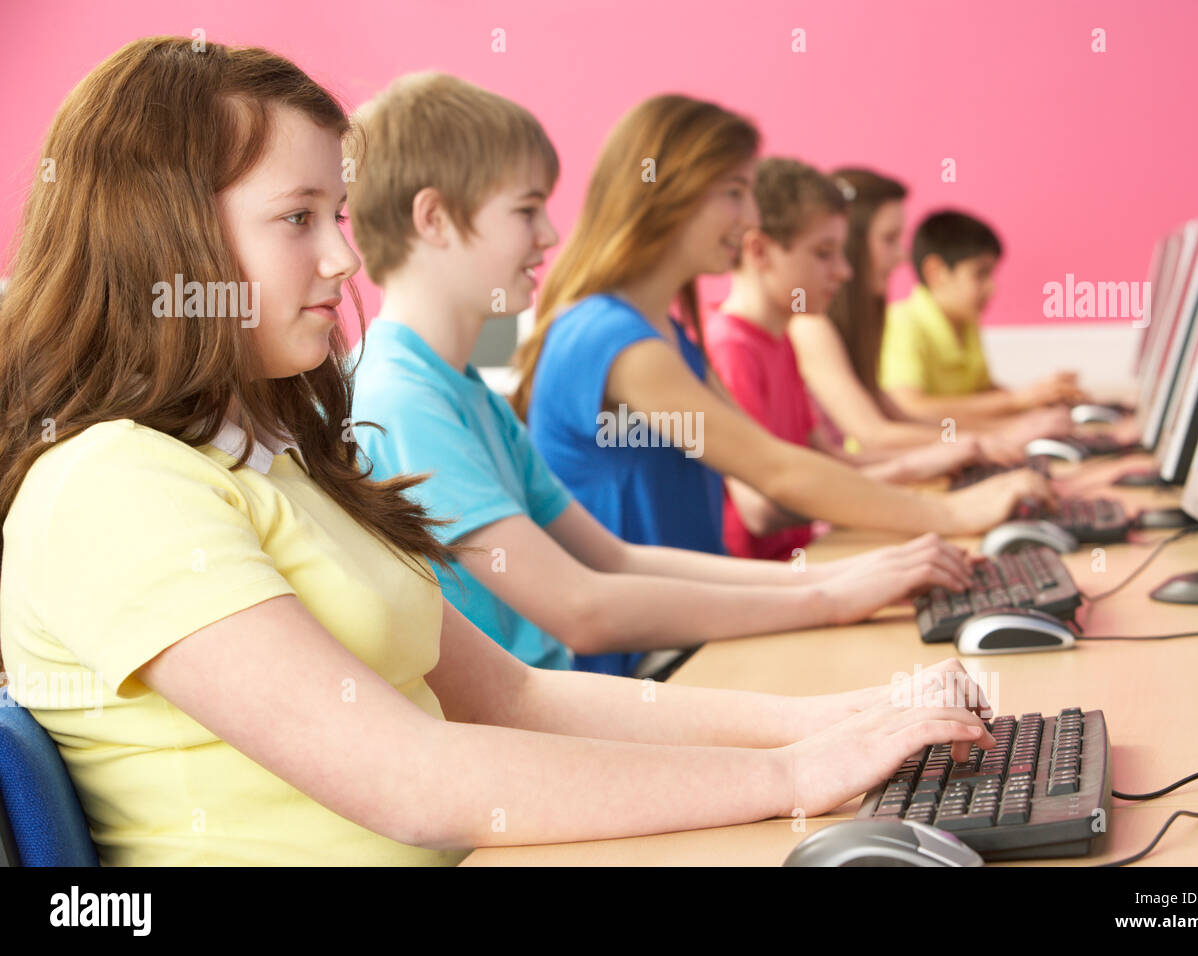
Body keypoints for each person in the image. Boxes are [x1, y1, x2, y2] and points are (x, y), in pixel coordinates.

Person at [0, 37, 995, 866]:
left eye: (335, 217)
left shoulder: (272, 454)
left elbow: (514, 693)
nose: (345, 259)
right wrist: (789, 775)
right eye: (298, 218)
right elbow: (412, 779)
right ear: (164, 240)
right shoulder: (112, 487)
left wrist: (834, 720)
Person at [345, 74, 977, 679]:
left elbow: (616, 559)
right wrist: (833, 597)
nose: (550, 233)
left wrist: (840, 581)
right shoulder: (402, 398)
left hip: (594, 687)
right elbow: (582, 611)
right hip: (566, 710)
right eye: (527, 210)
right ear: (432, 219)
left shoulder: (462, 390)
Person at [511, 95, 1054, 618]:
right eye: (734, 192)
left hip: (684, 622)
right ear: (670, 190)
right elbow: (775, 474)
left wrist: (859, 573)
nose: (749, 216)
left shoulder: (668, 333)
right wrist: (951, 513)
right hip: (641, 653)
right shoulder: (612, 338)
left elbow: (778, 458)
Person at [704, 157, 1028, 561]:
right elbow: (760, 509)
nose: (843, 272)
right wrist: (925, 484)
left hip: (810, 555)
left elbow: (828, 459)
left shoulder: (781, 339)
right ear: (758, 251)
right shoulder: (732, 349)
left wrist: (943, 456)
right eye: (824, 254)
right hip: (769, 580)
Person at [787, 168, 1074, 454]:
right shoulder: (810, 327)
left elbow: (900, 416)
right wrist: (995, 438)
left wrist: (1009, 429)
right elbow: (874, 435)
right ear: (852, 245)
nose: (901, 255)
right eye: (889, 239)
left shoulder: (863, 322)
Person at [878, 209, 1089, 424]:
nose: (992, 289)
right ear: (936, 272)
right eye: (980, 274)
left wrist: (1041, 396)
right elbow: (910, 407)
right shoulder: (903, 323)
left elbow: (982, 394)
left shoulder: (965, 322)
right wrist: (1015, 401)